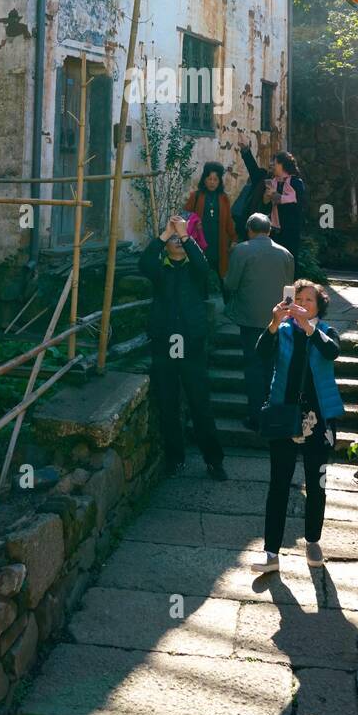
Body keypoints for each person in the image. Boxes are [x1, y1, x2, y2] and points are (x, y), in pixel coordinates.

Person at [250, 279, 343, 572]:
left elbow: (332, 352)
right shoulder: (283, 330)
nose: (302, 303)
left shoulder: (325, 332)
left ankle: (313, 541)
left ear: (319, 306)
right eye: (297, 298)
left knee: (316, 484)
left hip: (318, 419)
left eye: (309, 300)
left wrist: (309, 328)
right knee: (278, 484)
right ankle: (271, 552)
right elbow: (261, 353)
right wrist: (275, 322)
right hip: (283, 416)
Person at [138, 214, 227, 481]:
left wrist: (186, 235)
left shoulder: (195, 269)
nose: (177, 241)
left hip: (191, 342)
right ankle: (175, 458)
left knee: (200, 403)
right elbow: (143, 263)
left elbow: (203, 264)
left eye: (181, 238)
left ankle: (214, 460)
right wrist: (164, 234)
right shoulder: (159, 269)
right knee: (167, 403)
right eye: (173, 239)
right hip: (164, 341)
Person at [222, 212, 295, 430]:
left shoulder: (242, 250)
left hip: (250, 317)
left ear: (249, 230)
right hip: (278, 319)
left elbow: (231, 284)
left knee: (253, 367)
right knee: (273, 367)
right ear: (270, 230)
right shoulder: (286, 254)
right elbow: (289, 290)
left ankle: (255, 416)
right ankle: (273, 414)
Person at [237, 141, 305, 271]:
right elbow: (253, 169)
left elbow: (298, 205)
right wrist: (266, 198)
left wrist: (278, 197)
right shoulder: (269, 181)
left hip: (290, 232)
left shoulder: (295, 183)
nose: (272, 165)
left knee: (289, 265)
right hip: (272, 231)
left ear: (284, 165)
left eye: (275, 163)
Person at [184, 162, 237, 284]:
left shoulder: (223, 198)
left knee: (223, 276)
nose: (212, 182)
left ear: (219, 181)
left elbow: (228, 220)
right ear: (204, 180)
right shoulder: (196, 196)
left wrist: (234, 238)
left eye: (215, 179)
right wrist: (193, 223)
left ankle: (227, 302)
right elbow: (186, 216)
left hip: (218, 242)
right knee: (200, 275)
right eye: (209, 179)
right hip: (201, 241)